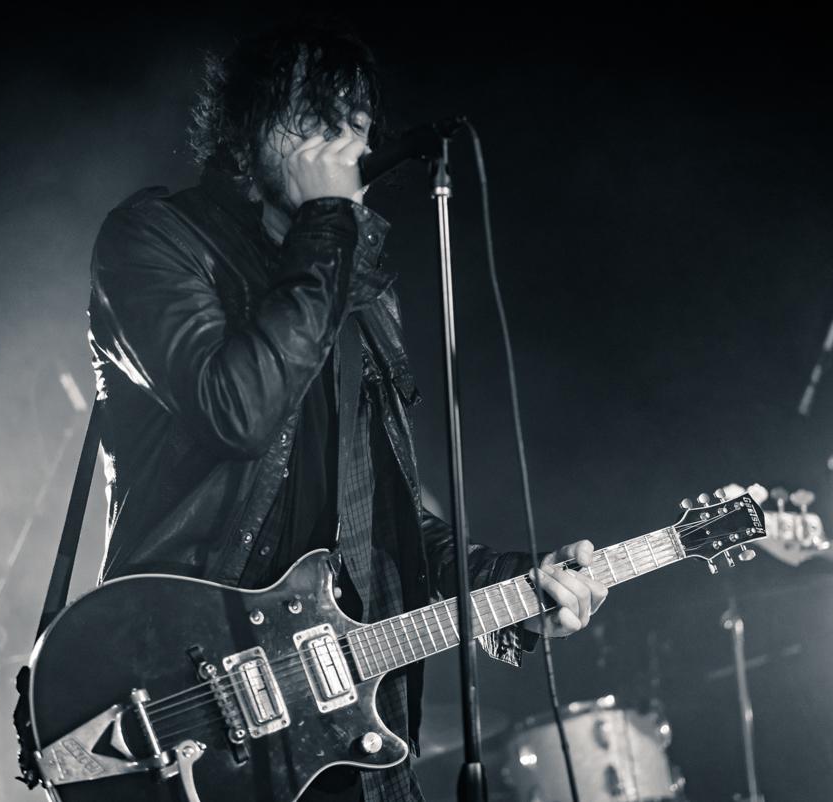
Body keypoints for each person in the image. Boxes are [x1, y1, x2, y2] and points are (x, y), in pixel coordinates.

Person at [85, 22, 606, 802]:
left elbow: (391, 525)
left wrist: (519, 594)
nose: (346, 141)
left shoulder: (355, 291)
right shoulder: (156, 239)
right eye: (317, 116)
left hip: (343, 735)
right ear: (248, 124)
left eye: (357, 122)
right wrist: (328, 224)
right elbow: (238, 411)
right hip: (185, 700)